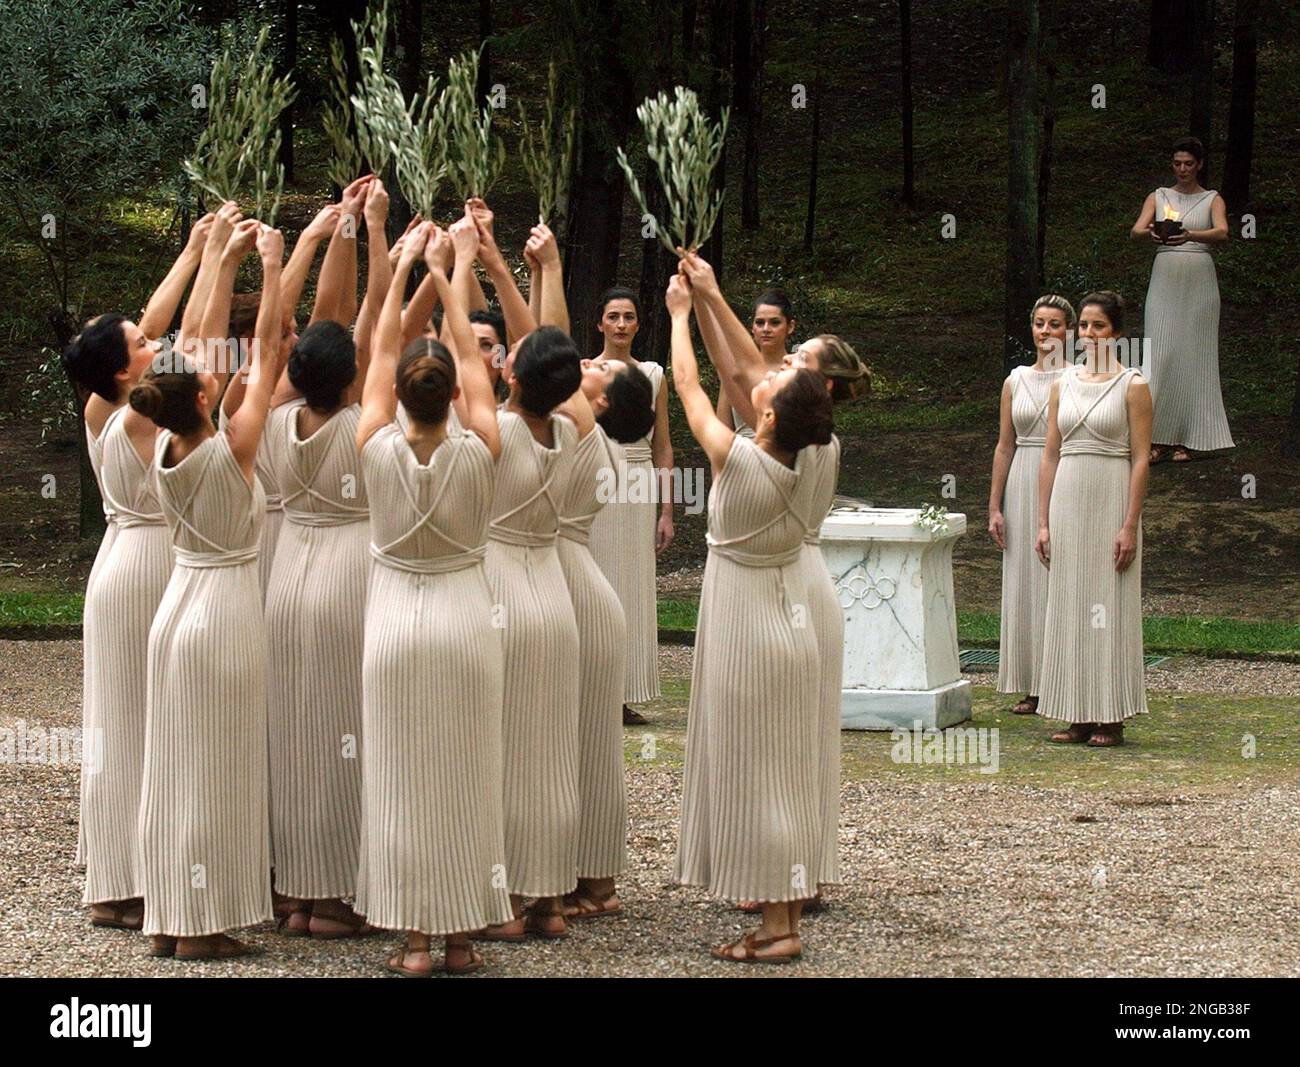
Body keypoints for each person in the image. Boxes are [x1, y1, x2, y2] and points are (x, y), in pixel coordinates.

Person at [681, 250, 868, 915]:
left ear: (817, 382)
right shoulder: (821, 434)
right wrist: (705, 298)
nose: (782, 363)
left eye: (797, 360)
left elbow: (734, 373)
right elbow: (739, 366)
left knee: (779, 739)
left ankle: (782, 873)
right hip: (803, 578)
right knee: (803, 736)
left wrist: (705, 300)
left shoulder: (787, 431)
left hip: (785, 579)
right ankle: (802, 869)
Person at [353, 221, 512, 976]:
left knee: (400, 773)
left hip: (391, 622)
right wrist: (452, 275)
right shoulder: (483, 445)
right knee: (466, 772)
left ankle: (413, 940)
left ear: (396, 396)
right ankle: (460, 936)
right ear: (453, 392)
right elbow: (477, 369)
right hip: (464, 618)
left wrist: (407, 260)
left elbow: (382, 348)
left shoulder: (372, 442)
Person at [61, 207, 224, 930]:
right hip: (155, 563)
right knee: (148, 721)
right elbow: (191, 338)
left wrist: (190, 249)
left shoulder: (102, 400)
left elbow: (151, 325)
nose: (149, 336)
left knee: (117, 721)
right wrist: (217, 259)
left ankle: (113, 877)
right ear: (132, 365)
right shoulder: (144, 407)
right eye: (138, 342)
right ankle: (136, 875)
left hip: (114, 565)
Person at [130, 217, 285, 960]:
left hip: (175, 606)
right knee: (218, 764)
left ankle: (169, 910)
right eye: (205, 372)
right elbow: (277, 343)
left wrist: (219, 258)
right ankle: (203, 922)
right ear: (200, 396)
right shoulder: (237, 444)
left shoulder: (163, 441)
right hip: (223, 612)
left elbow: (193, 341)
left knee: (174, 762)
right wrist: (277, 262)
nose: (214, 366)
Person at [265, 179, 394, 939]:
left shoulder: (273, 417)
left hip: (287, 573)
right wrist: (376, 233)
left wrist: (320, 237)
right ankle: (338, 894)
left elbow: (286, 334)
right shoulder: (361, 425)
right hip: (348, 576)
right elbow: (376, 322)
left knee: (296, 727)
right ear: (348, 378)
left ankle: (293, 892)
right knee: (343, 727)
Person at [1036, 292, 1152, 747]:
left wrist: (1129, 524)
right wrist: (1042, 521)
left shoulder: (1133, 385)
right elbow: (1049, 455)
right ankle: (1075, 711)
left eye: (1098, 326)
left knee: (1107, 600)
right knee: (1069, 600)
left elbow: (1142, 459)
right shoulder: (1061, 384)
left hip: (1110, 495)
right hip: (1067, 495)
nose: (1087, 334)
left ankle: (1110, 715)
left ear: (1117, 333)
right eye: (1083, 326)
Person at [586, 288, 674, 724]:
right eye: (613, 316)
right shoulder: (586, 375)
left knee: (632, 583)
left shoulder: (654, 375)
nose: (621, 324)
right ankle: (592, 689)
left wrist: (667, 511)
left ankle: (625, 690)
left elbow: (663, 446)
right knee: (596, 581)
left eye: (629, 317)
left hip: (638, 481)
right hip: (597, 480)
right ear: (600, 323)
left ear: (638, 324)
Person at [989, 296, 1074, 715]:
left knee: (1057, 574)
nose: (1045, 332)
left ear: (1068, 331)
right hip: (1022, 474)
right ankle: (1031, 681)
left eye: (1054, 324)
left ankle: (1061, 677)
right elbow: (1004, 446)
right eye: (1039, 323)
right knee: (1025, 578)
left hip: (1065, 476)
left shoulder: (1078, 378)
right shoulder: (1015, 381)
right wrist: (994, 506)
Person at [1129, 137, 1233, 462]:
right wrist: (1155, 233)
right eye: (1177, 163)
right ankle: (1153, 439)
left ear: (1199, 165)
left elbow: (1223, 232)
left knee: (1194, 356)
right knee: (1160, 354)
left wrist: (1190, 235)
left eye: (1189, 163)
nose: (1183, 169)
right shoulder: (1159, 196)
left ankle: (1189, 439)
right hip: (1165, 275)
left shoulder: (1212, 198)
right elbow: (1135, 231)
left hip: (1199, 278)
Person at [712, 287, 797, 437]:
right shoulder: (737, 372)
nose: (766, 329)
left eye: (774, 323)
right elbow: (721, 431)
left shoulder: (799, 369)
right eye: (760, 322)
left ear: (790, 327)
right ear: (752, 328)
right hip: (741, 455)